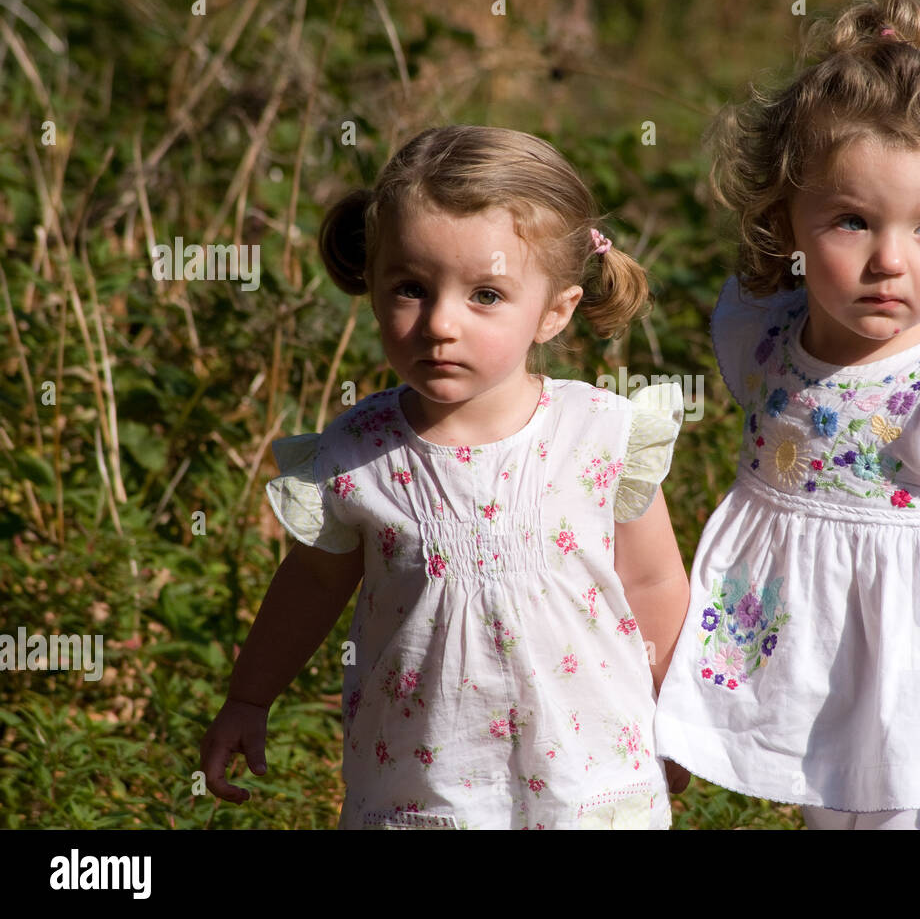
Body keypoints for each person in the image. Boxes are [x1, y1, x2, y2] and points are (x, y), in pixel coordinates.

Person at [653, 0, 920, 829]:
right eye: (851, 221)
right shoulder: (765, 339)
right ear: (787, 222)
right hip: (816, 683)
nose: (890, 261)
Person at [200, 125, 691, 829]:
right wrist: (248, 697)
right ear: (371, 286)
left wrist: (675, 709)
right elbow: (310, 585)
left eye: (485, 296)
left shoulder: (600, 436)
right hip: (425, 782)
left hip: (590, 772)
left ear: (555, 312)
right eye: (410, 288)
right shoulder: (357, 453)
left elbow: (651, 582)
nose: (439, 323)